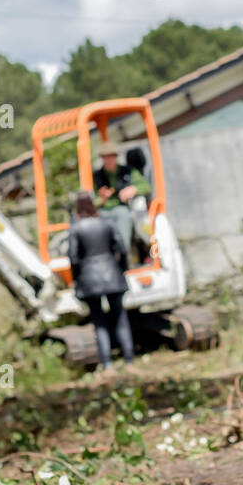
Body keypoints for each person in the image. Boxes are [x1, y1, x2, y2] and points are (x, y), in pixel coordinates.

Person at [68, 191, 136, 369]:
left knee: (99, 323)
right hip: (112, 275)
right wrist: (121, 269)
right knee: (120, 318)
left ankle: (107, 364)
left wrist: (77, 280)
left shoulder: (76, 228)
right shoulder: (108, 223)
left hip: (89, 280)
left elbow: (73, 258)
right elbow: (122, 248)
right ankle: (129, 361)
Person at [93, 147, 140, 258]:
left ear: (115, 157)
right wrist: (102, 198)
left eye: (111, 157)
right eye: (105, 158)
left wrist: (133, 189)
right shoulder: (96, 176)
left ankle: (123, 252)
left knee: (123, 214)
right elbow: (90, 201)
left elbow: (145, 186)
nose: (108, 160)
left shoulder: (127, 171)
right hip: (103, 211)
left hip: (121, 207)